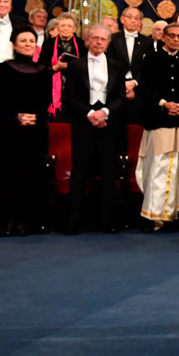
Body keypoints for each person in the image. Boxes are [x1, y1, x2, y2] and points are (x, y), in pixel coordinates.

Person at [63, 24, 127, 233]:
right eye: (95, 38)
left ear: (108, 43)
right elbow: (69, 98)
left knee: (109, 172)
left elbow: (121, 98)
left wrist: (105, 113)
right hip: (84, 122)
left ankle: (106, 220)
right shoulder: (75, 66)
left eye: (103, 39)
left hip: (109, 123)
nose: (99, 42)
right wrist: (91, 114)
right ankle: (74, 220)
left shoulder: (118, 66)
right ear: (87, 41)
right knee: (79, 171)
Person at [0, 28, 51, 236]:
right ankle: (5, 220)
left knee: (32, 175)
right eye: (23, 40)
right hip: (9, 130)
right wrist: (16, 116)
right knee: (7, 174)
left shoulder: (44, 70)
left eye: (31, 41)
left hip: (35, 130)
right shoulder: (2, 70)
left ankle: (28, 221)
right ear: (14, 44)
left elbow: (45, 100)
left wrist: (35, 116)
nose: (27, 44)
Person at [136, 23, 179, 230]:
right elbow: (144, 89)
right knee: (158, 167)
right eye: (171, 36)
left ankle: (175, 216)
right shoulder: (151, 59)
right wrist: (164, 104)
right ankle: (153, 217)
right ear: (163, 37)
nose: (175, 39)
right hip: (159, 120)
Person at [38, 13, 86, 121]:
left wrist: (72, 66)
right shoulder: (48, 44)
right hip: (52, 87)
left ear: (74, 29)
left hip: (75, 87)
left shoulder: (81, 44)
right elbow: (41, 68)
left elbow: (86, 67)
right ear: (58, 27)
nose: (65, 28)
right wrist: (55, 67)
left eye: (69, 26)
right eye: (63, 25)